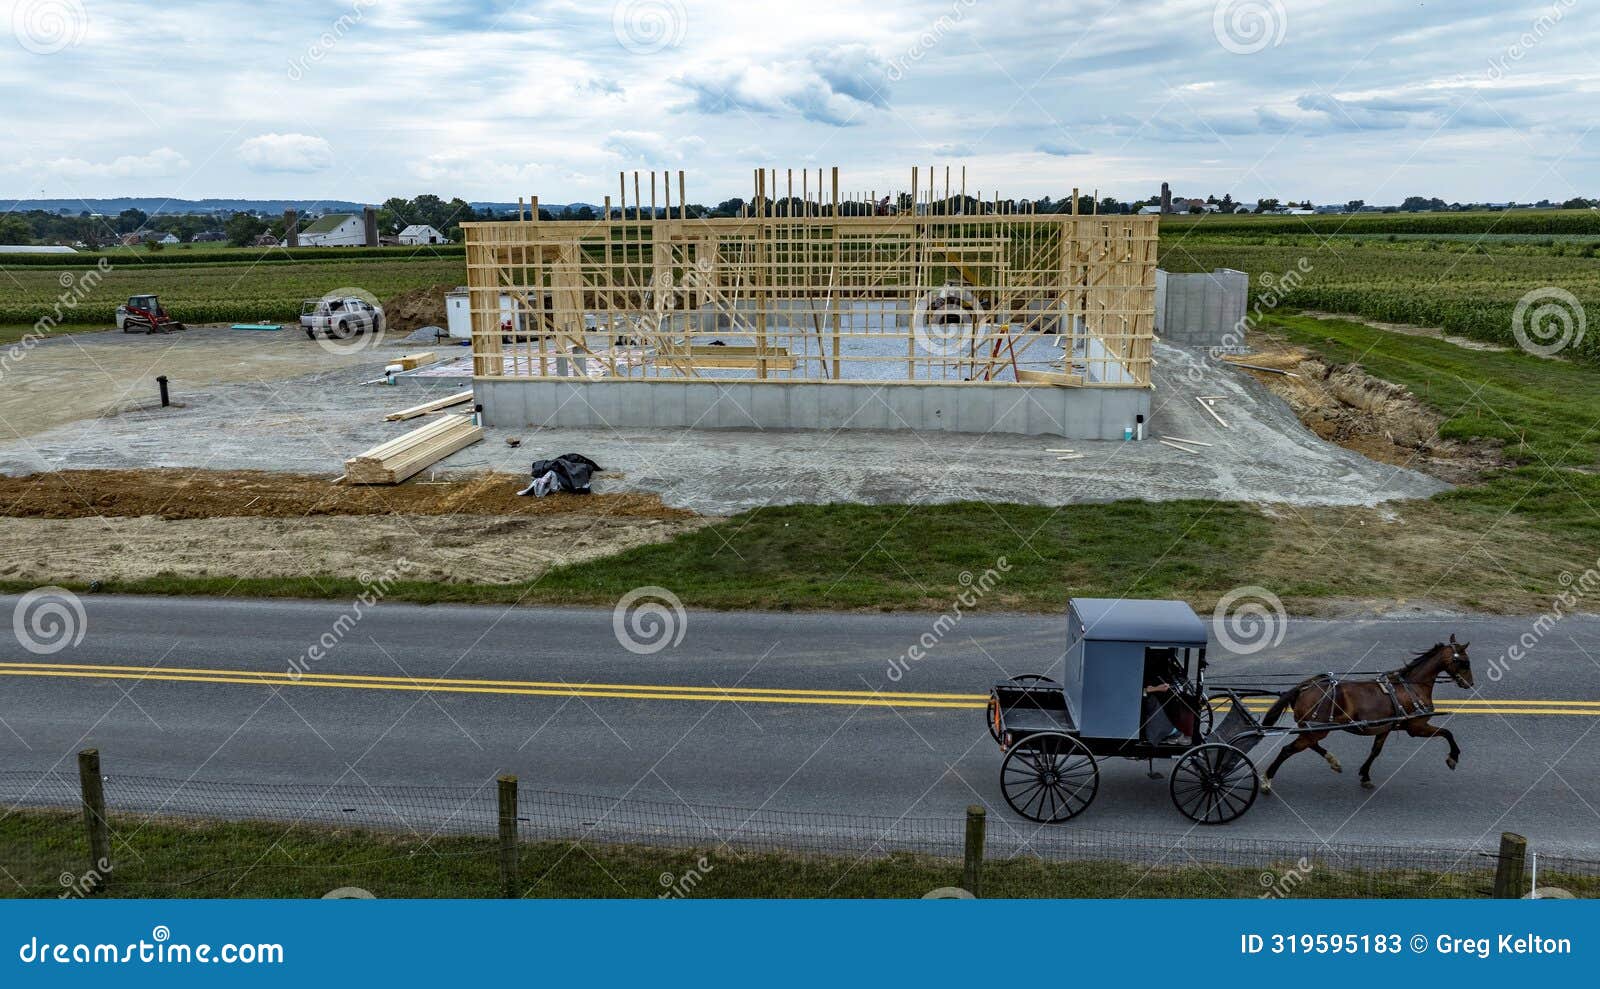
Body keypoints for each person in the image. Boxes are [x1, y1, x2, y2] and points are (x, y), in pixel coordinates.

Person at [1142, 648, 1197, 744]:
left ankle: (1175, 730)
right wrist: (1156, 688)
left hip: (1150, 689)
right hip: (1145, 696)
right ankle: (1171, 732)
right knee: (1158, 701)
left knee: (1172, 697)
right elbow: (1144, 690)